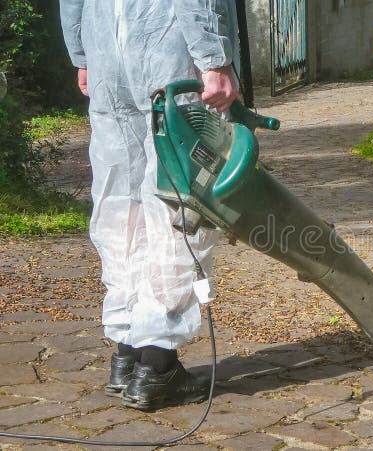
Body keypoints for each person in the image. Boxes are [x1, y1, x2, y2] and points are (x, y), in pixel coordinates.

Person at [60, 0, 240, 410]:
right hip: (169, 48)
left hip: (106, 47)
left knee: (119, 203)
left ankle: (126, 353)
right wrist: (214, 59)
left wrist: (82, 53)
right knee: (177, 201)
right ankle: (156, 364)